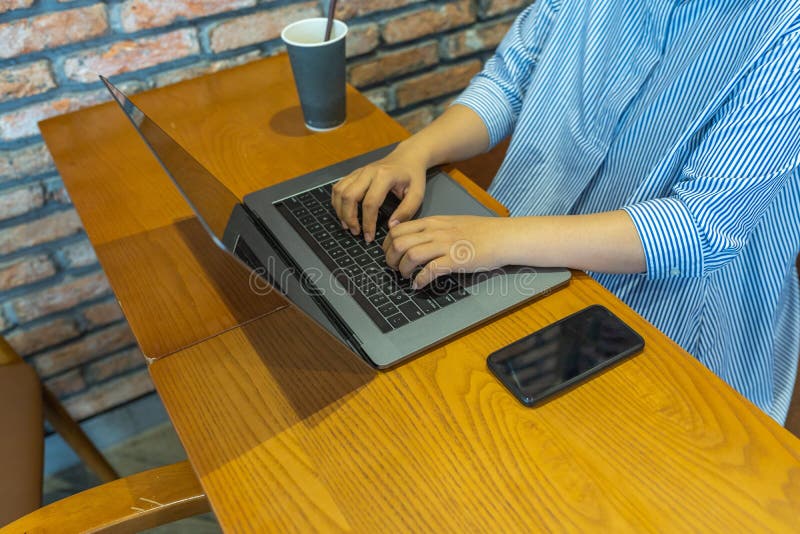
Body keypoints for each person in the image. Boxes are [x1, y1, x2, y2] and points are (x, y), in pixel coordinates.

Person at [330, 1, 800, 424]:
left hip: (666, 323)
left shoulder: (785, 30)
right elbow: (508, 83)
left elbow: (699, 227)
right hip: (513, 264)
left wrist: (496, 239)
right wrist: (414, 152)